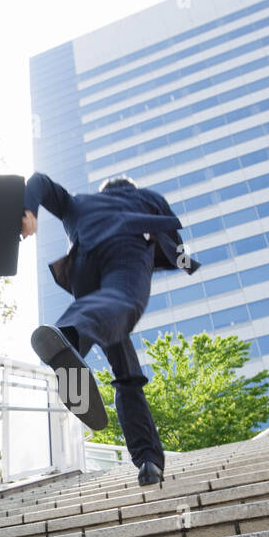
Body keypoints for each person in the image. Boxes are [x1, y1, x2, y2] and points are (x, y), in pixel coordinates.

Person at [20, 171, 199, 487]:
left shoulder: (81, 202)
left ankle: (148, 460)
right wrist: (187, 264)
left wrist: (28, 209)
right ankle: (70, 334)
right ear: (131, 189)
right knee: (124, 302)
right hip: (124, 255)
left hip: (84, 270)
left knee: (126, 370)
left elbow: (41, 182)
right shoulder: (146, 198)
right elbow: (174, 237)